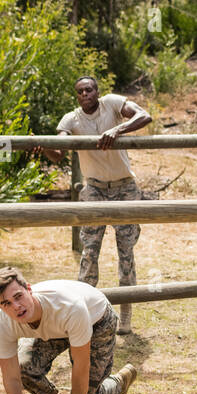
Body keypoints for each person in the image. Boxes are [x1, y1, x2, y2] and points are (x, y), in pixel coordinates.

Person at [37, 76, 151, 334]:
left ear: (97, 92)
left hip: (124, 186)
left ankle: (125, 315)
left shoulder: (111, 104)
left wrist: (116, 130)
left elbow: (144, 115)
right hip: (95, 188)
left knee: (126, 253)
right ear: (76, 96)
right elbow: (59, 152)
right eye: (80, 91)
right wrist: (43, 146)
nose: (85, 94)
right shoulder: (71, 119)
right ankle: (85, 313)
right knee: (89, 252)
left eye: (89, 89)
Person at [0, 266, 137, 394]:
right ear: (0, 307)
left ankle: (118, 383)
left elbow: (81, 364)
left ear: (29, 289)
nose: (16, 306)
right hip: (56, 328)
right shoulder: (2, 323)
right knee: (23, 369)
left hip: (96, 319)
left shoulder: (70, 308)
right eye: (7, 304)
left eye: (18, 296)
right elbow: (11, 378)